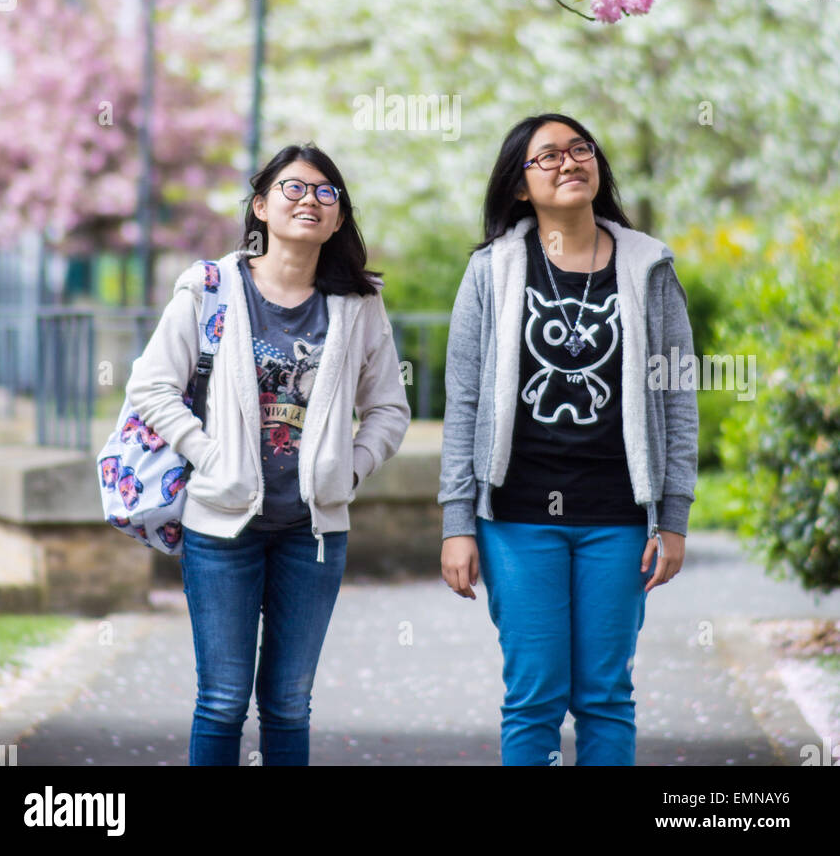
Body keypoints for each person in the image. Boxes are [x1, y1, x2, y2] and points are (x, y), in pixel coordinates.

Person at [125, 143, 410, 766]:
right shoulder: (211, 288)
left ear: (338, 219)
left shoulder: (359, 305)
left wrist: (348, 469)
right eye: (294, 188)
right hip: (222, 528)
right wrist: (210, 455)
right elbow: (150, 386)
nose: (311, 200)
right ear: (260, 206)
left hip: (312, 535)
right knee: (223, 700)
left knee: (288, 702)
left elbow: (389, 408)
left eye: (326, 192)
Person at [439, 113, 698, 767]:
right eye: (547, 155)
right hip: (518, 515)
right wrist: (456, 523)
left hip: (617, 514)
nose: (568, 161)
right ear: (520, 186)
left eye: (580, 148)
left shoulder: (649, 267)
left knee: (607, 695)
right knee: (533, 697)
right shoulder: (492, 271)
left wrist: (673, 515)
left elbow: (678, 398)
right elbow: (464, 402)